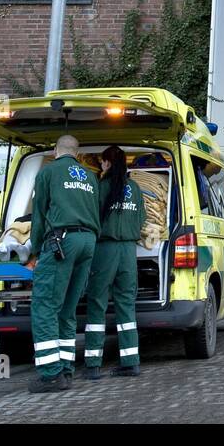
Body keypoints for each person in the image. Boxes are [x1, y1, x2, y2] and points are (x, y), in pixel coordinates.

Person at [28, 135, 100, 393]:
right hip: (88, 242)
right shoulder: (90, 177)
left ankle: (50, 374)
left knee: (45, 306)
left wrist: (35, 251)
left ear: (55, 150)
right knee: (68, 309)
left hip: (61, 243)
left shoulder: (49, 172)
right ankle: (66, 370)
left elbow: (39, 214)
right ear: (77, 153)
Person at [82, 146, 145, 379]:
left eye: (103, 162)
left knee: (97, 304)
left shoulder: (100, 187)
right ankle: (131, 362)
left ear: (107, 163)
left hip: (105, 249)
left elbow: (91, 217)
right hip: (128, 251)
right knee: (126, 305)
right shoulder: (136, 189)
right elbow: (141, 219)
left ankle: (93, 364)